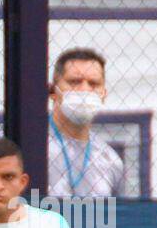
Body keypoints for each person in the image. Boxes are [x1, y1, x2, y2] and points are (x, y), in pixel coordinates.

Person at [48, 47, 123, 197]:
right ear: (53, 91)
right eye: (74, 82)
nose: (84, 90)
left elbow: (118, 216)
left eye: (93, 83)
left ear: (103, 94)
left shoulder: (110, 159)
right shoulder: (27, 146)